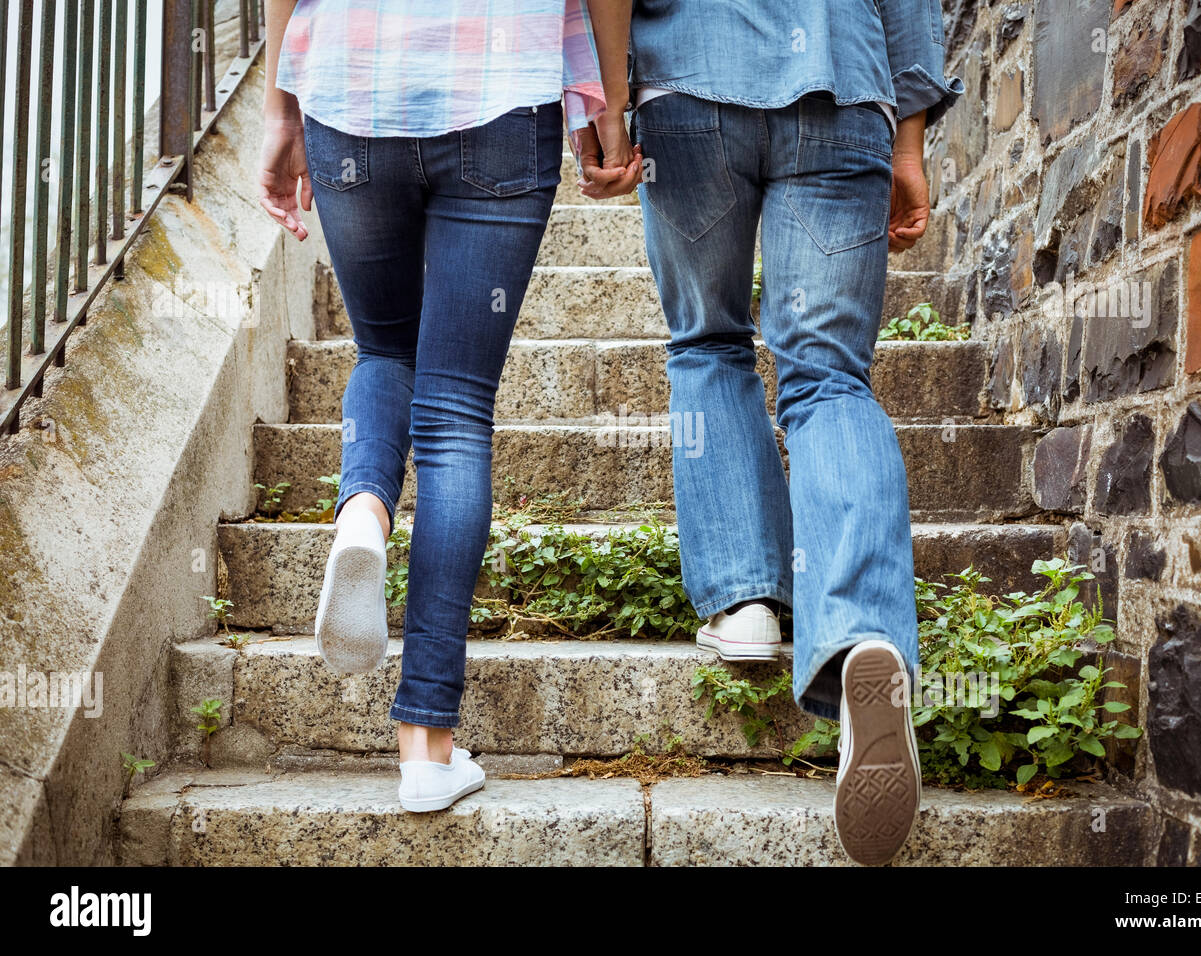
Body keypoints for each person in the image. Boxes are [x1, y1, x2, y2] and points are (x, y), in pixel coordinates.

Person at [586, 1, 963, 865]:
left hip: (691, 88)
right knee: (828, 377)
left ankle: (745, 598)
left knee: (708, 340)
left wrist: (608, 105)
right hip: (844, 90)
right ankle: (862, 625)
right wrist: (908, 147)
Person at [258, 0, 640, 813]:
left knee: (383, 348)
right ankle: (427, 747)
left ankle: (364, 509)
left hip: (350, 87)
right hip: (500, 89)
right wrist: (610, 101)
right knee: (457, 411)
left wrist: (278, 107)